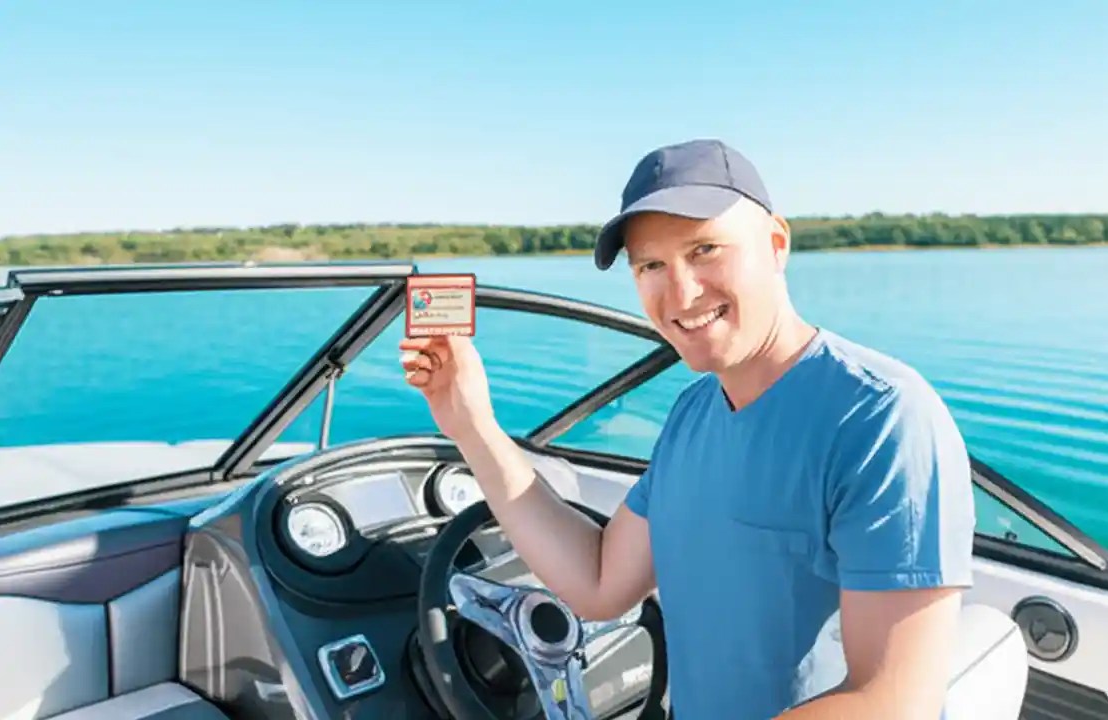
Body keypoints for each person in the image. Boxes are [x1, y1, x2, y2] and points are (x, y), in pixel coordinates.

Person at [401, 138, 975, 719]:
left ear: (776, 243)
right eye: (651, 265)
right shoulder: (693, 414)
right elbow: (600, 580)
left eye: (705, 250)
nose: (680, 293)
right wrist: (471, 423)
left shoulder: (879, 417)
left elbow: (894, 701)